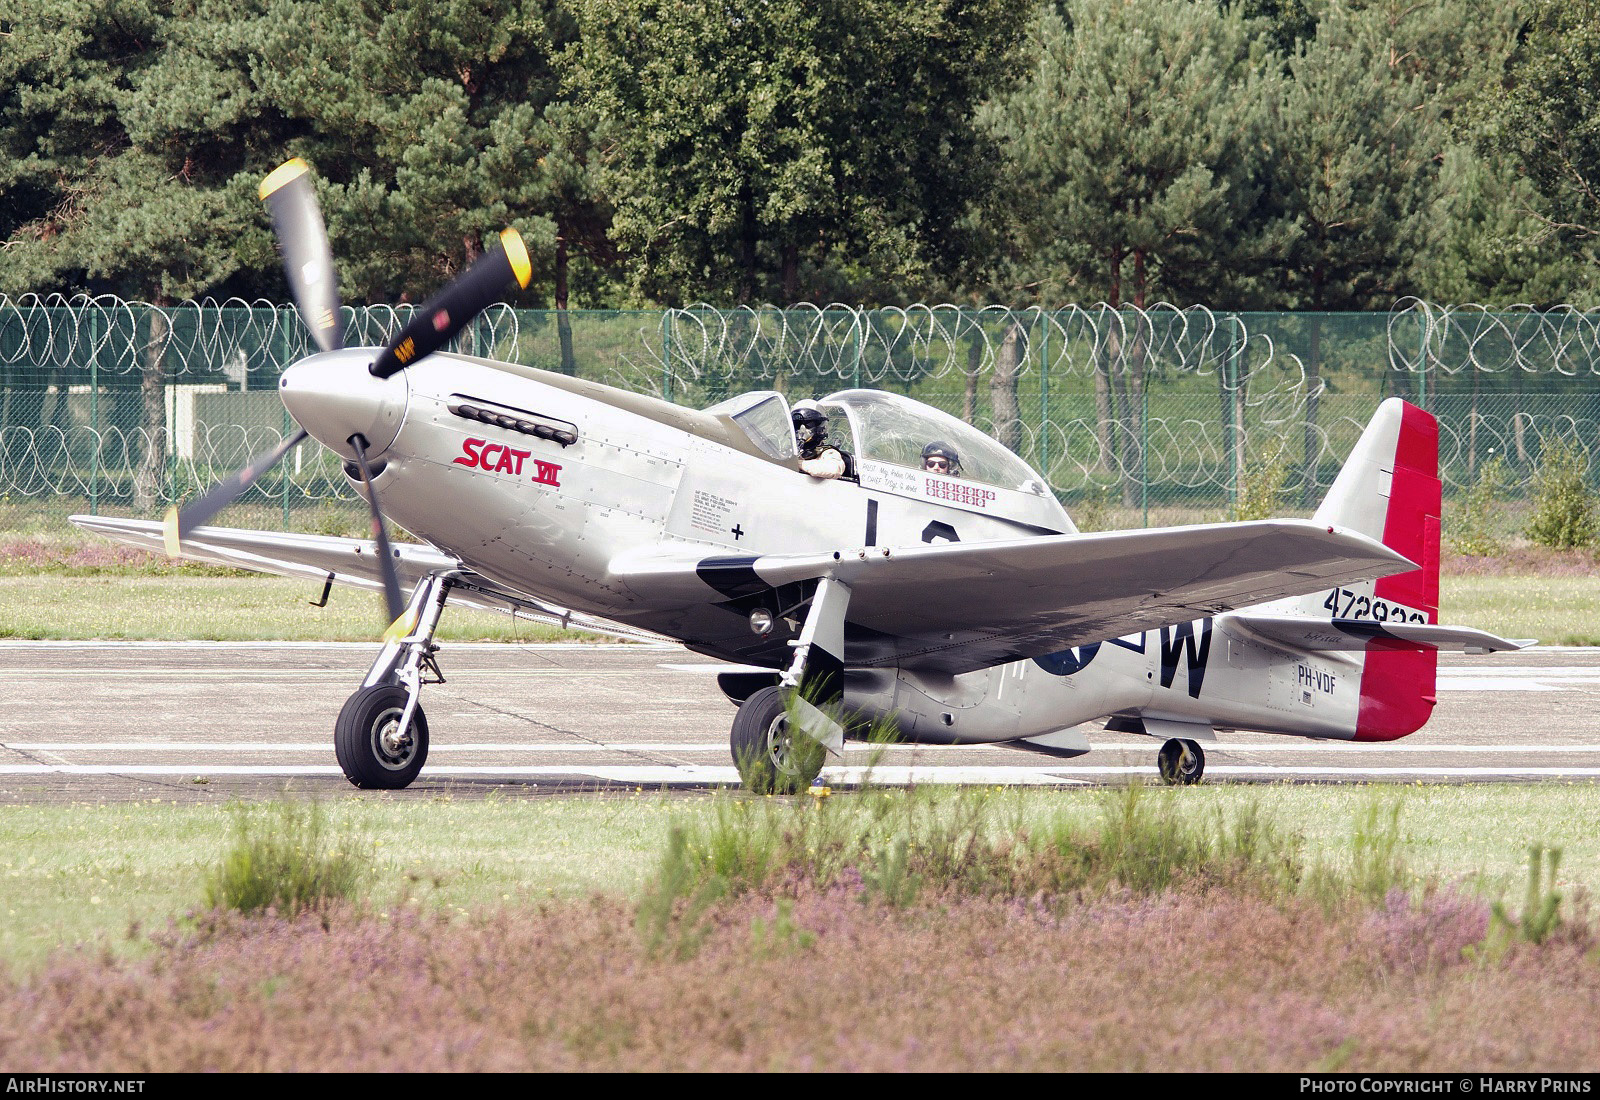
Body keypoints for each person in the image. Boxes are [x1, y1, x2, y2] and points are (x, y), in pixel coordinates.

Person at [793, 400, 848, 479]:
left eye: (808, 423)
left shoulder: (829, 453)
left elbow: (832, 470)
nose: (802, 429)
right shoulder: (793, 451)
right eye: (797, 424)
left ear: (820, 427)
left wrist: (798, 464)